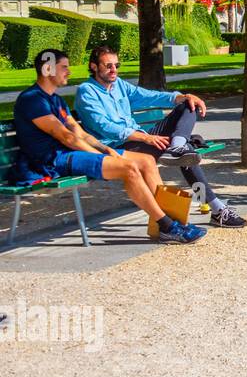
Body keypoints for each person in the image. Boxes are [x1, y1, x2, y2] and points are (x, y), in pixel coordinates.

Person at [10, 50, 205, 243]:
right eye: (64, 68)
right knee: (129, 169)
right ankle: (167, 227)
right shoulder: (33, 99)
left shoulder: (56, 100)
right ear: (47, 69)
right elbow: (66, 137)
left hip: (70, 153)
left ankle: (174, 220)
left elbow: (79, 133)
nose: (68, 72)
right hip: (52, 160)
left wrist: (105, 150)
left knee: (146, 161)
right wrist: (102, 157)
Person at [76, 46, 247, 227]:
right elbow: (104, 127)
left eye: (116, 65)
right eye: (108, 65)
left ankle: (177, 145)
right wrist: (145, 138)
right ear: (94, 66)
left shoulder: (119, 85)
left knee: (189, 105)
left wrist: (181, 96)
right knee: (186, 153)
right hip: (119, 147)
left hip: (141, 139)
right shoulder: (87, 91)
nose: (114, 70)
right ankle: (217, 208)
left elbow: (150, 96)